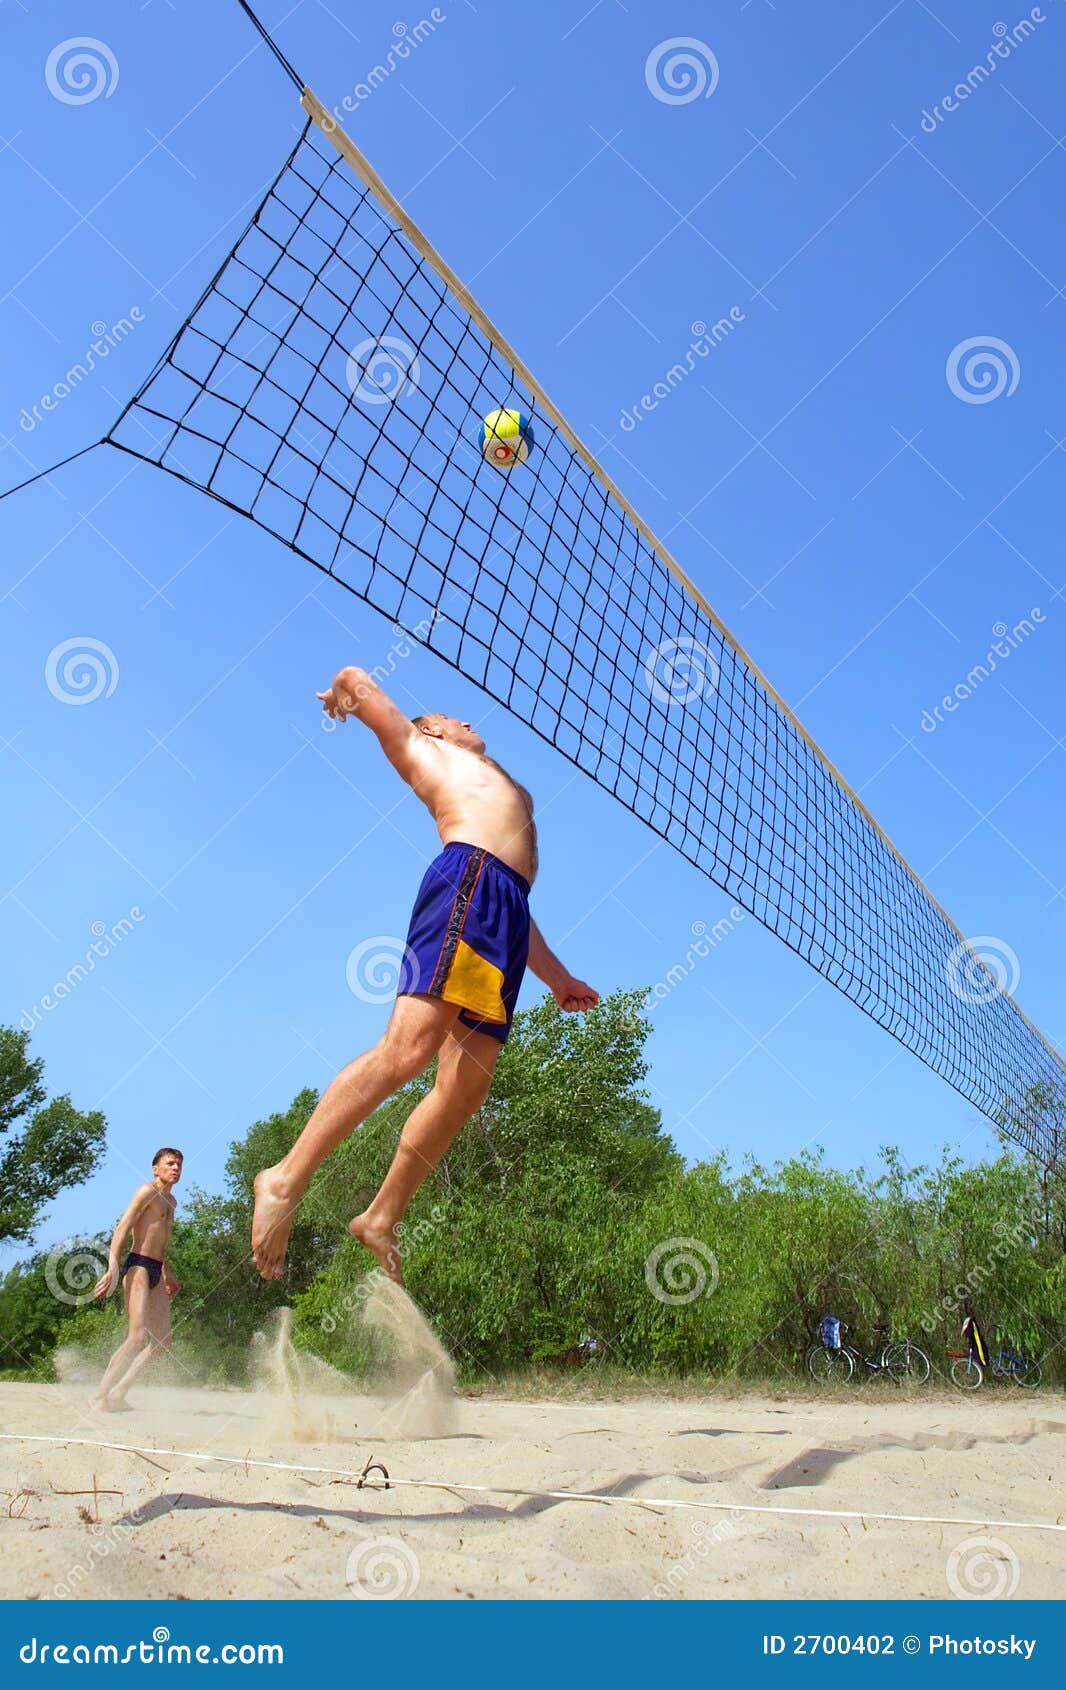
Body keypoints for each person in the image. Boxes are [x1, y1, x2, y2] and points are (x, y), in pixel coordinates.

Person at [251, 665, 599, 1283]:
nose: (469, 722)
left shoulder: (498, 781)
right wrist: (341, 696)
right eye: (456, 717)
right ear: (434, 728)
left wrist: (558, 978)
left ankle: (381, 1216)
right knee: (408, 1051)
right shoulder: (424, 751)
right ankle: (285, 1177)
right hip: (466, 880)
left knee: (466, 1088)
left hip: (505, 905)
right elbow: (355, 678)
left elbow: (519, 907)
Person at [91, 1148, 182, 1410]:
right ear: (156, 1169)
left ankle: (119, 1394)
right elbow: (122, 1228)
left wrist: (166, 1273)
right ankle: (99, 1395)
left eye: (178, 1165)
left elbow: (161, 1242)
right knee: (137, 1337)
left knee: (163, 1342)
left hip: (156, 1267)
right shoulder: (146, 1192)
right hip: (138, 1265)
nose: (175, 1168)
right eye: (170, 1163)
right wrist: (112, 1268)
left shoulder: (171, 1202)